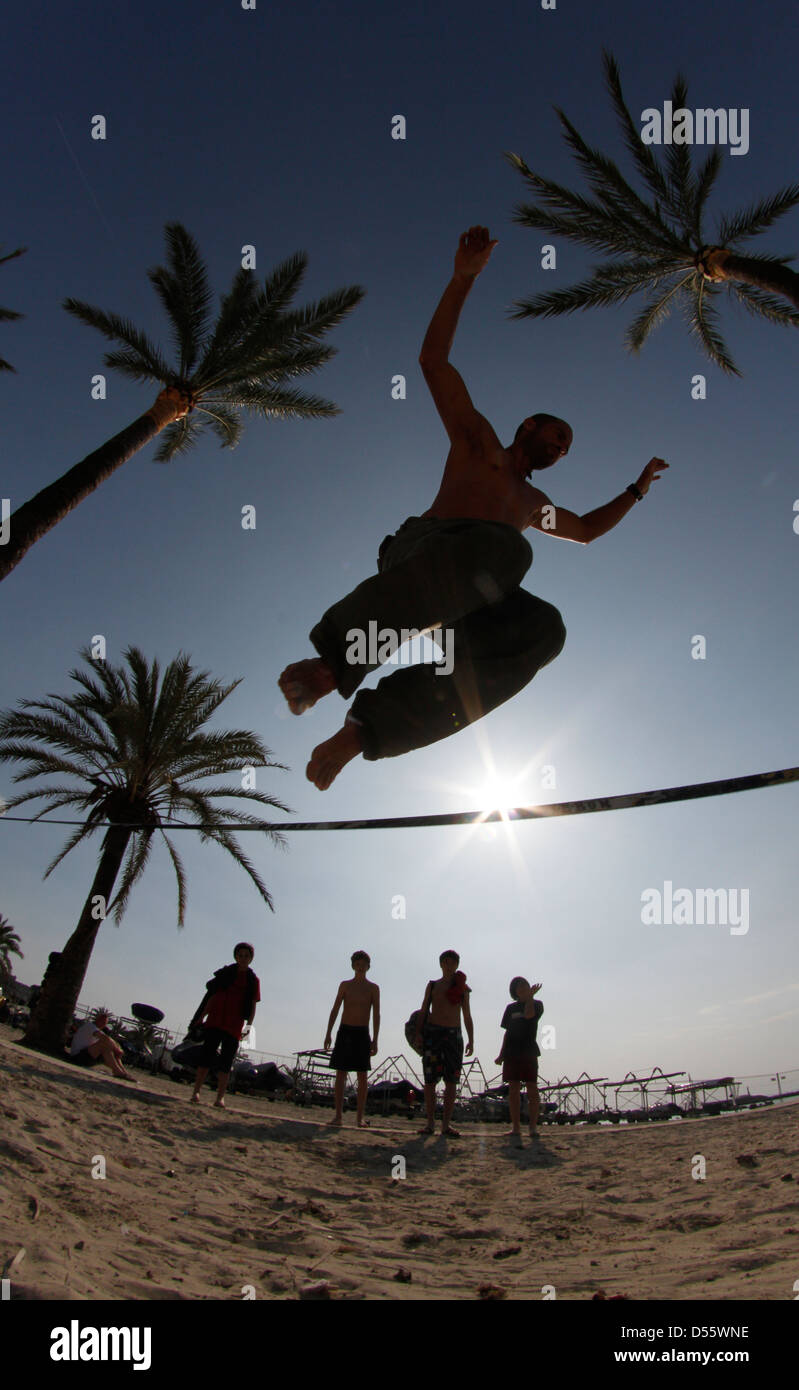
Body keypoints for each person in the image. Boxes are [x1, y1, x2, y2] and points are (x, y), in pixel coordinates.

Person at [279, 225, 668, 788]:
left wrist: (635, 490)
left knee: (542, 630)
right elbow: (434, 361)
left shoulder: (535, 503)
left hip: (467, 595)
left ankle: (367, 729)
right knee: (505, 547)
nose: (561, 448)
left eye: (567, 448)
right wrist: (462, 279)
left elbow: (584, 531)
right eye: (557, 435)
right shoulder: (477, 444)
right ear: (528, 426)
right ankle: (336, 660)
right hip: (425, 549)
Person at [189, 943, 260, 1108]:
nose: (243, 958)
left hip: (234, 1025)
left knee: (226, 1063)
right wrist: (202, 1017)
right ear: (236, 956)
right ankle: (196, 1091)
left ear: (251, 959)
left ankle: (220, 1097)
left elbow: (253, 1005)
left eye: (246, 956)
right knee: (206, 1057)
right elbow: (213, 996)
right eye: (240, 955)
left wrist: (248, 1027)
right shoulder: (226, 973)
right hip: (215, 1020)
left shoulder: (253, 980)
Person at [414, 950, 473, 1137]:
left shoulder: (462, 989)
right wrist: (418, 1032)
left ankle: (446, 1125)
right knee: (430, 1080)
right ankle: (430, 1124)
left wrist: (471, 1039)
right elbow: (424, 1009)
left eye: (452, 962)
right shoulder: (433, 986)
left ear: (457, 965)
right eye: (446, 962)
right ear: (441, 964)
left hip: (453, 1035)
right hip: (434, 1033)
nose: (449, 965)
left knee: (451, 1081)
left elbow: (467, 1015)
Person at [323, 950, 380, 1127]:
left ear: (368, 966)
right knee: (341, 1073)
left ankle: (359, 1118)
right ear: (353, 965)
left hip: (362, 1032)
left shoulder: (373, 988)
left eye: (364, 963)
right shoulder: (345, 985)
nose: (360, 966)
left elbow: (376, 1014)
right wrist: (328, 1033)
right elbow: (335, 1009)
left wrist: (375, 1039)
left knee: (362, 1075)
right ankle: (338, 1116)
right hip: (345, 1031)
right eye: (357, 962)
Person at [495, 977, 544, 1146]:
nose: (523, 987)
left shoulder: (537, 1004)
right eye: (520, 986)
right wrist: (501, 1054)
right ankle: (516, 1127)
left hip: (529, 1050)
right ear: (514, 991)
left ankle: (532, 1127)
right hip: (512, 1052)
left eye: (525, 984)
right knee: (513, 1089)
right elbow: (507, 1033)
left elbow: (530, 1015)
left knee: (532, 1087)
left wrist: (529, 998)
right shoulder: (510, 1008)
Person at [69, 1007, 136, 1081]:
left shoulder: (98, 1031)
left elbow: (110, 1041)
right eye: (102, 1022)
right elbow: (106, 1039)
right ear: (97, 1020)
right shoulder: (90, 1026)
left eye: (105, 1023)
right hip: (78, 1056)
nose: (103, 1024)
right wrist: (117, 1049)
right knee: (104, 1045)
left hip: (88, 1056)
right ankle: (117, 1071)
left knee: (110, 1049)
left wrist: (117, 1050)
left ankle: (123, 1072)